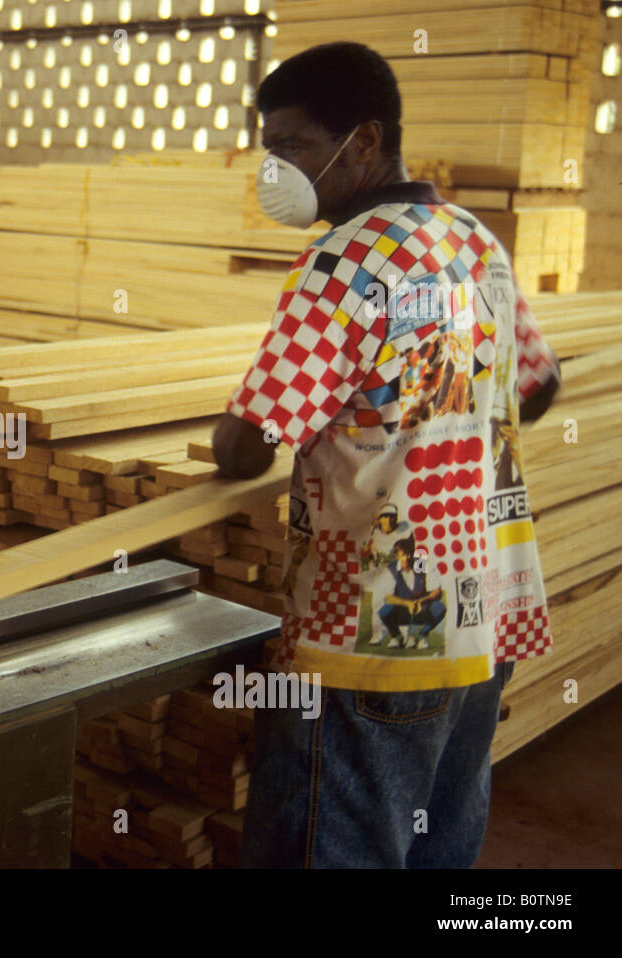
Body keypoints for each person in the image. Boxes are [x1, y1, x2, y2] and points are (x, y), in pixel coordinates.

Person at [210, 42, 561, 868]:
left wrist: (240, 415)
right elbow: (538, 388)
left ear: (363, 142)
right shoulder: (476, 241)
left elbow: (246, 445)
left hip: (370, 636)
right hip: (485, 618)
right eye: (270, 149)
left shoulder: (341, 261)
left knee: (336, 846)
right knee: (440, 843)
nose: (276, 171)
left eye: (292, 146)